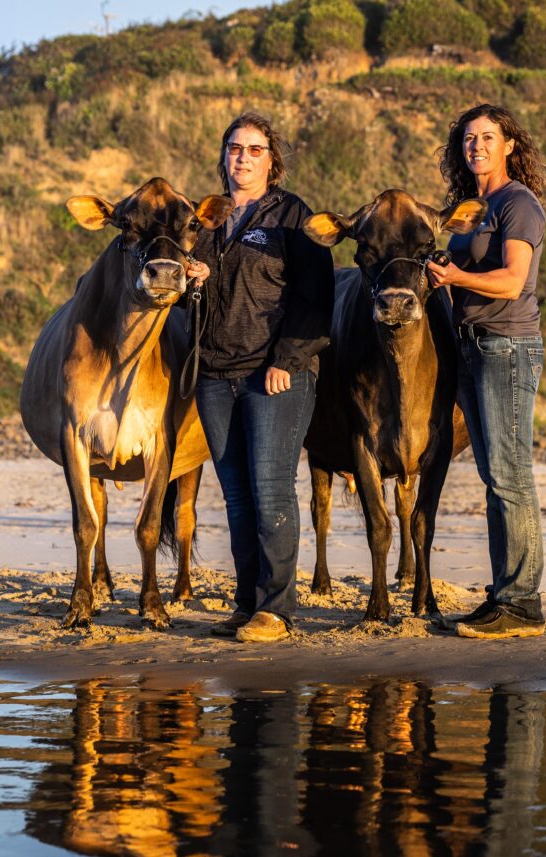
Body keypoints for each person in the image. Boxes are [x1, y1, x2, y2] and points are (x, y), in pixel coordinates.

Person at [184, 113, 333, 643]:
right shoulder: (205, 220)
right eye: (234, 148)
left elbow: (317, 297)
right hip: (213, 373)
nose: (242, 157)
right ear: (223, 155)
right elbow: (179, 293)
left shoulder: (293, 215)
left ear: (273, 160)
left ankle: (277, 609)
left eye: (254, 149)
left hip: (274, 375)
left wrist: (286, 361)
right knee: (237, 497)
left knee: (271, 489)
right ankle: (248, 604)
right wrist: (192, 279)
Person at [426, 103, 546, 639]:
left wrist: (455, 277)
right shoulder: (473, 207)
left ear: (509, 146)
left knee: (510, 475)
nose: (476, 145)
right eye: (469, 139)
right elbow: (465, 273)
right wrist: (441, 278)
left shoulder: (518, 203)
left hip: (507, 345)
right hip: (472, 347)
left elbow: (512, 282)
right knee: (494, 477)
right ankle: (504, 595)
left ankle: (522, 605)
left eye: (487, 137)